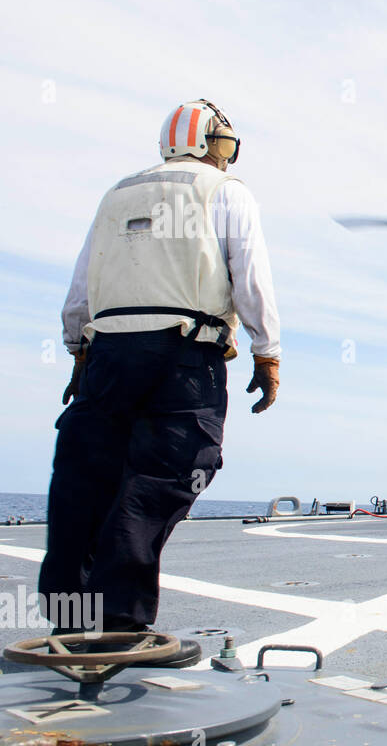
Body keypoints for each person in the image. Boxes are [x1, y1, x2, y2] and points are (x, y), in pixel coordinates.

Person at [41, 99, 281, 665]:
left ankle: (69, 614)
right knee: (167, 472)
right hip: (184, 354)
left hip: (108, 353)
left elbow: (81, 287)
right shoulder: (227, 192)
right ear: (209, 142)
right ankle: (121, 618)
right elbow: (251, 276)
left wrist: (79, 348)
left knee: (84, 473)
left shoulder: (117, 193)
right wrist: (266, 353)